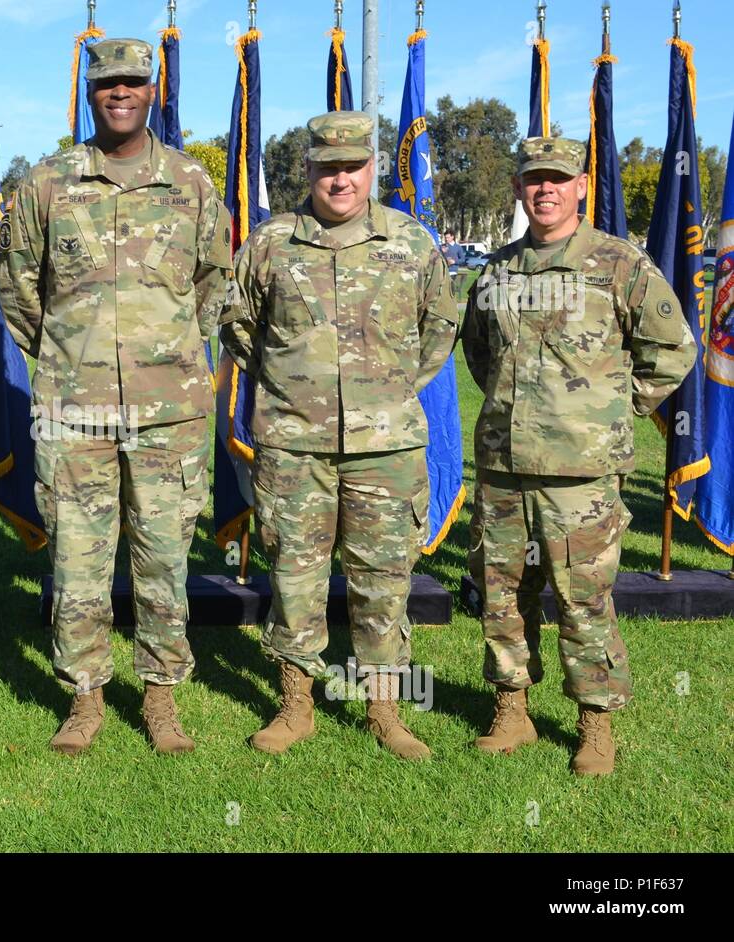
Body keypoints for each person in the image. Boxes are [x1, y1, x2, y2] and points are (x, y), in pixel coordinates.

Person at [0, 39, 233, 755]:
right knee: (78, 558)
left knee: (164, 557)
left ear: (151, 90)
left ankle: (160, 697)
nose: (119, 93)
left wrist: (170, 354)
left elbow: (213, 284)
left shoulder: (191, 183)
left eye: (132, 82)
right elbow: (17, 287)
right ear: (89, 92)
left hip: (170, 411)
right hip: (77, 409)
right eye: (106, 83)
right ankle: (86, 696)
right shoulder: (47, 183)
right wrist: (71, 355)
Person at [221, 111, 458, 760]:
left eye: (352, 165)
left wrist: (386, 388)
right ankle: (295, 706)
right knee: (295, 579)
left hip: (386, 449)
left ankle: (384, 712)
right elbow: (240, 328)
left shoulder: (410, 243)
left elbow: (439, 330)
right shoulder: (271, 244)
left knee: (383, 580)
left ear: (372, 168)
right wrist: (293, 390)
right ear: (307, 171)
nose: (340, 178)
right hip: (294, 449)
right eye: (327, 167)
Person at [462, 137, 695, 775]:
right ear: (517, 188)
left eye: (558, 180)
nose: (546, 190)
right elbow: (479, 352)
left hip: (581, 475)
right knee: (503, 593)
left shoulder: (619, 264)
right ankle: (512, 709)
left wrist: (615, 411)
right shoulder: (498, 271)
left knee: (583, 597)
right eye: (534, 180)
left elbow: (673, 347)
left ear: (581, 185)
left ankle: (595, 721)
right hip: (505, 465)